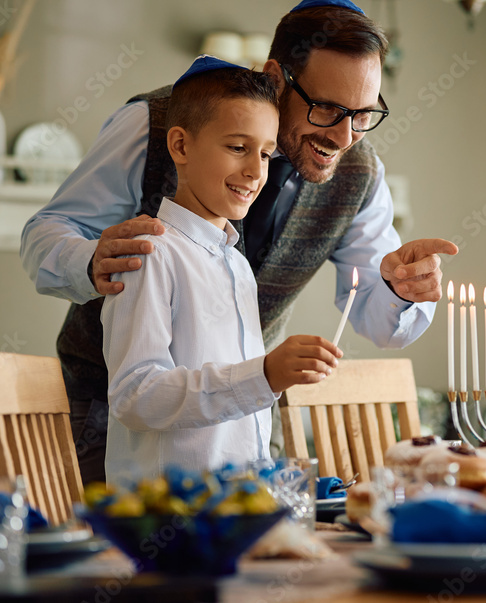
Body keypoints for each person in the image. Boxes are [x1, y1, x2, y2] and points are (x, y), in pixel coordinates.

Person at [21, 0, 459, 484]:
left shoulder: (359, 173)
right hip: (109, 412)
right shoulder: (156, 122)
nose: (343, 137)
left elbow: (379, 320)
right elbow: (44, 235)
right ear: (276, 77)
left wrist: (401, 291)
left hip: (248, 414)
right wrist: (89, 259)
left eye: (362, 114)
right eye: (328, 109)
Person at [101, 56, 342, 481]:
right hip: (171, 522)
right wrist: (262, 375)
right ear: (180, 146)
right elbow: (134, 396)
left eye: (266, 155)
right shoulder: (149, 254)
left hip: (238, 510)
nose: (254, 171)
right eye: (237, 147)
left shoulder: (236, 263)